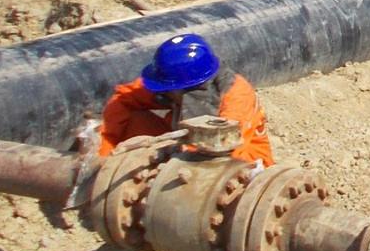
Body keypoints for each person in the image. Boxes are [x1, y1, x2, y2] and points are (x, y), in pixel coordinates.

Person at [99, 32, 275, 166]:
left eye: (168, 90)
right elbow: (122, 99)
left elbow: (226, 149)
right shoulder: (173, 83)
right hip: (183, 149)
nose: (164, 93)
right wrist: (103, 157)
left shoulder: (236, 95)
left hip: (243, 164)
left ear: (184, 88)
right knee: (136, 121)